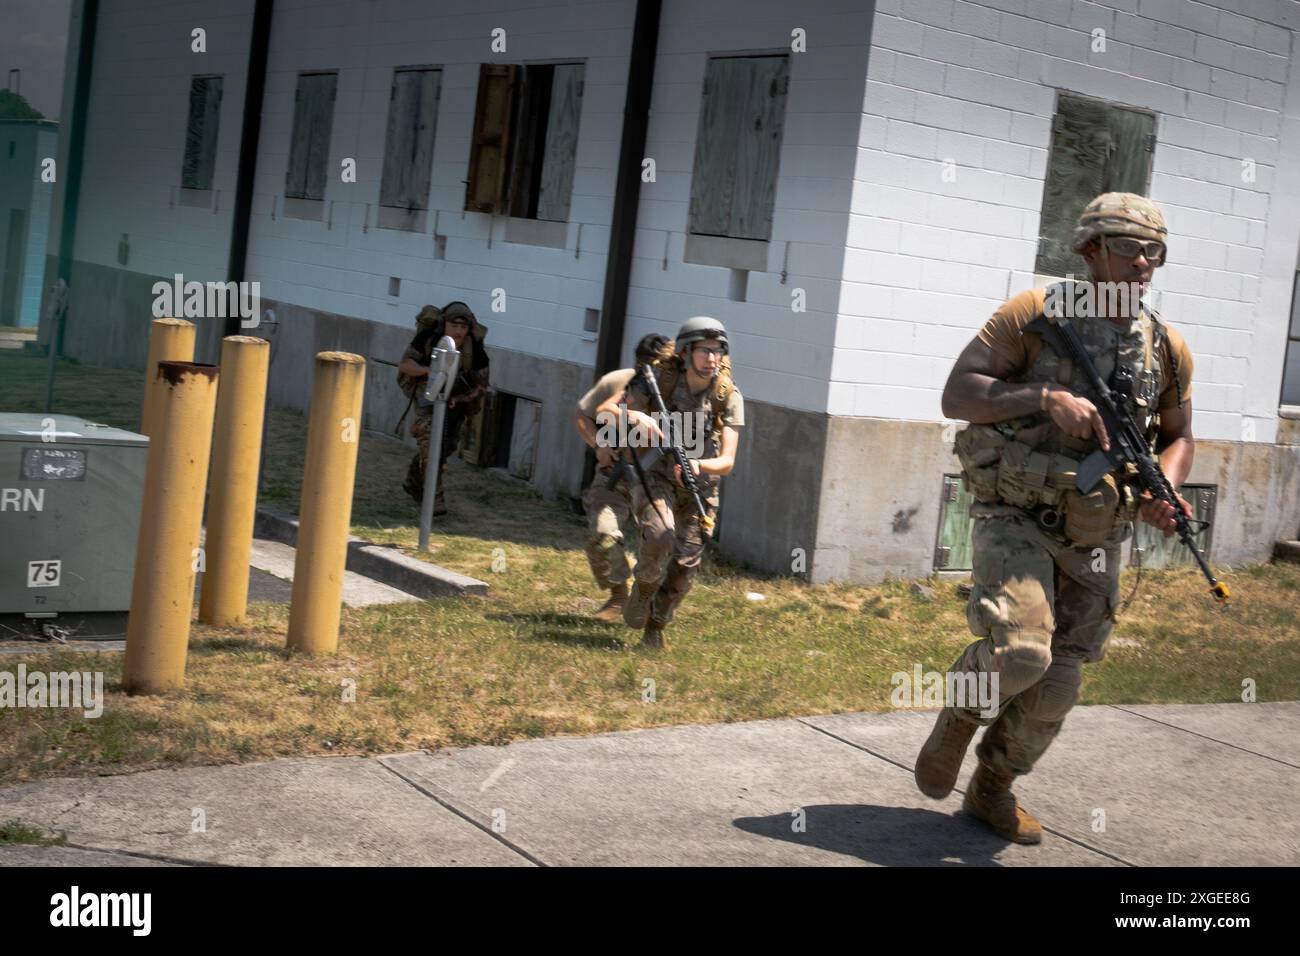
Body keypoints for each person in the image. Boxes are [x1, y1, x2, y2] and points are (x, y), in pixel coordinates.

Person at [916, 193, 1196, 843]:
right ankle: (960, 718)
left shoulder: (1165, 346)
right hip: (1017, 508)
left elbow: (1179, 436)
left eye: (1155, 252)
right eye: (1130, 248)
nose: (1144, 264)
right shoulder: (1033, 315)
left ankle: (993, 785)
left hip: (1097, 530)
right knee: (1020, 653)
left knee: (1060, 680)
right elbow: (958, 393)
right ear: (1092, 251)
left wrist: (1166, 489)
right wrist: (1045, 397)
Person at [595, 316, 744, 650]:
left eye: (718, 351)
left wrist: (698, 465)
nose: (712, 358)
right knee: (661, 533)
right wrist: (636, 416)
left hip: (698, 487)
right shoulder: (657, 380)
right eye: (705, 350)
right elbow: (608, 413)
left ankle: (656, 625)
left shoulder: (726, 394)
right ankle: (644, 587)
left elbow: (728, 461)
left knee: (684, 566)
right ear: (686, 351)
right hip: (655, 475)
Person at [572, 333, 677, 622]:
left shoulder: (679, 390)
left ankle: (646, 598)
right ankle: (618, 594)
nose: (652, 372)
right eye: (646, 365)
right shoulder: (618, 382)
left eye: (661, 365)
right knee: (602, 534)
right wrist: (598, 444)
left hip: (656, 478)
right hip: (616, 473)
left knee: (661, 537)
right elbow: (581, 415)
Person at [397, 302, 490, 516]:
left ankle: (414, 481)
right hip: (427, 398)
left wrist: (462, 398)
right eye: (454, 325)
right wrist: (430, 371)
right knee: (431, 445)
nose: (458, 331)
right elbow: (405, 365)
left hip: (454, 403)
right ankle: (434, 501)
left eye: (463, 327)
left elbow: (482, 385)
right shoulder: (428, 339)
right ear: (444, 325)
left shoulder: (473, 348)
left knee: (445, 448)